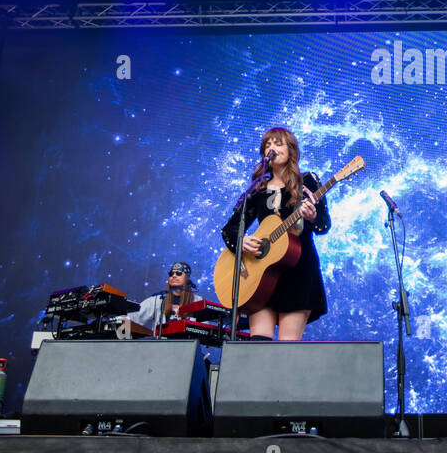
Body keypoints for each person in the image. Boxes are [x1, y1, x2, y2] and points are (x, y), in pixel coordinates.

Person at [221, 127, 330, 341]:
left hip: (298, 273)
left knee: (284, 353)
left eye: (277, 143)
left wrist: (313, 217)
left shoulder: (307, 182)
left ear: (291, 150)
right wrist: (242, 241)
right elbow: (229, 230)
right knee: (257, 348)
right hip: (262, 279)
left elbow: (324, 225)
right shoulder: (258, 190)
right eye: (267, 145)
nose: (271, 148)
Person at [129, 262, 203, 331]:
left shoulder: (197, 301)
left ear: (187, 278)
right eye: (171, 274)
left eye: (179, 273)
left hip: (188, 343)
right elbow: (135, 316)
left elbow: (203, 328)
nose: (174, 276)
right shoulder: (158, 299)